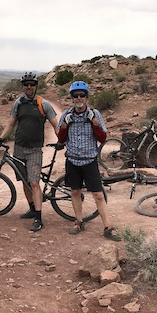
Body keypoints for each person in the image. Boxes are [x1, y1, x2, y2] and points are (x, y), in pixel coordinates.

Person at [56, 81, 122, 241]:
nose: (79, 98)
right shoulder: (66, 115)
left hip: (89, 161)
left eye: (82, 95)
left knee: (98, 195)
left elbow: (103, 138)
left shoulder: (95, 114)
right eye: (75, 95)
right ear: (71, 98)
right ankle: (79, 222)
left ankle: (108, 227)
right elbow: (61, 139)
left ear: (86, 97)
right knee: (75, 192)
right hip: (72, 160)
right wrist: (64, 127)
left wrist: (95, 125)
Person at [0, 72, 59, 232]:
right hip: (19, 148)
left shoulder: (43, 104)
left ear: (36, 86)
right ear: (23, 86)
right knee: (24, 181)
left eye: (32, 84)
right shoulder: (19, 103)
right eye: (26, 84)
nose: (29, 87)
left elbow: (55, 124)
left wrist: (63, 140)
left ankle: (39, 218)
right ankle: (32, 208)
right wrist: (0, 138)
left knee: (34, 183)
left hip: (35, 149)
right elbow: (11, 123)